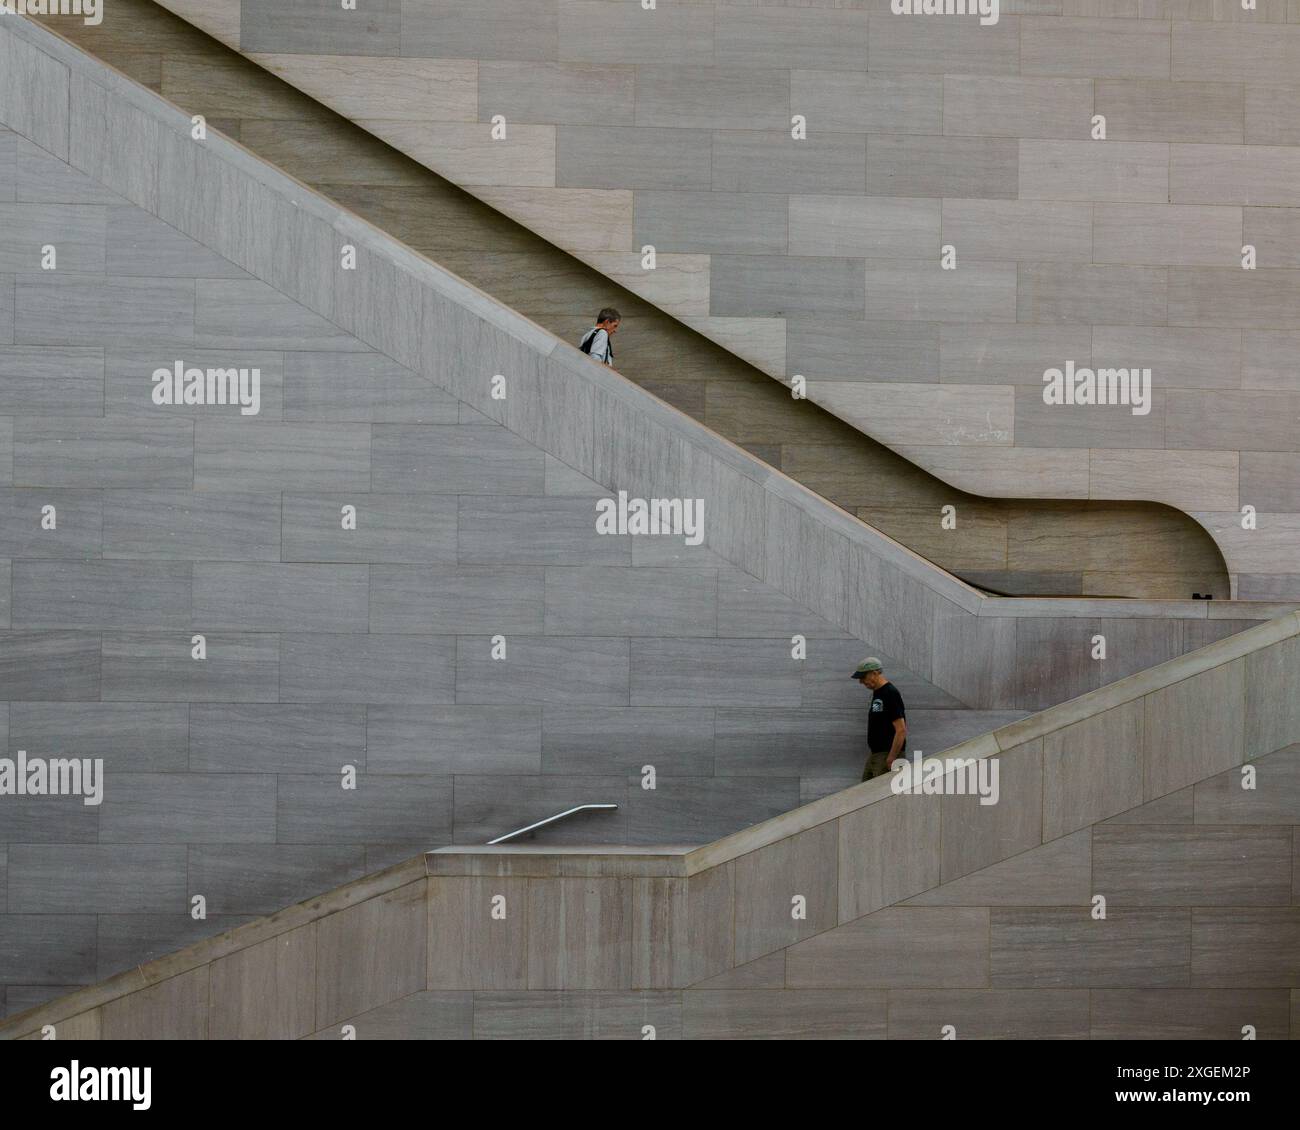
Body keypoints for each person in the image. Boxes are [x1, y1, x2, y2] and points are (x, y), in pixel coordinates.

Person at [850, 657, 907, 781]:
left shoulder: (890, 693)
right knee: (864, 793)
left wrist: (892, 758)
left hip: (887, 755)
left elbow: (901, 730)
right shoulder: (878, 693)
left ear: (875, 673)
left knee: (877, 796)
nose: (861, 682)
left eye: (863, 677)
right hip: (876, 754)